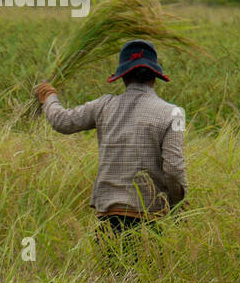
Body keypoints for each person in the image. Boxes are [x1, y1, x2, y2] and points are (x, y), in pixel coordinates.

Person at [33, 40, 187, 256]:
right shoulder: (173, 113)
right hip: (149, 219)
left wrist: (49, 97)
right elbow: (173, 170)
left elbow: (62, 122)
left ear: (123, 77)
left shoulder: (103, 106)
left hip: (108, 218)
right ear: (155, 77)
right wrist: (178, 205)